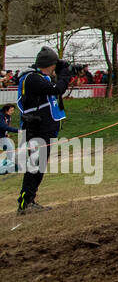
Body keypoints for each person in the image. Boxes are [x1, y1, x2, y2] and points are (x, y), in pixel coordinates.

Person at [16, 46, 72, 214]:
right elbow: (57, 90)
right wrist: (65, 75)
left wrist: (61, 72)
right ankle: (25, 203)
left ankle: (28, 201)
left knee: (38, 166)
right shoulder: (33, 78)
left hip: (43, 128)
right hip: (35, 129)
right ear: (49, 64)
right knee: (35, 166)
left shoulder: (42, 77)